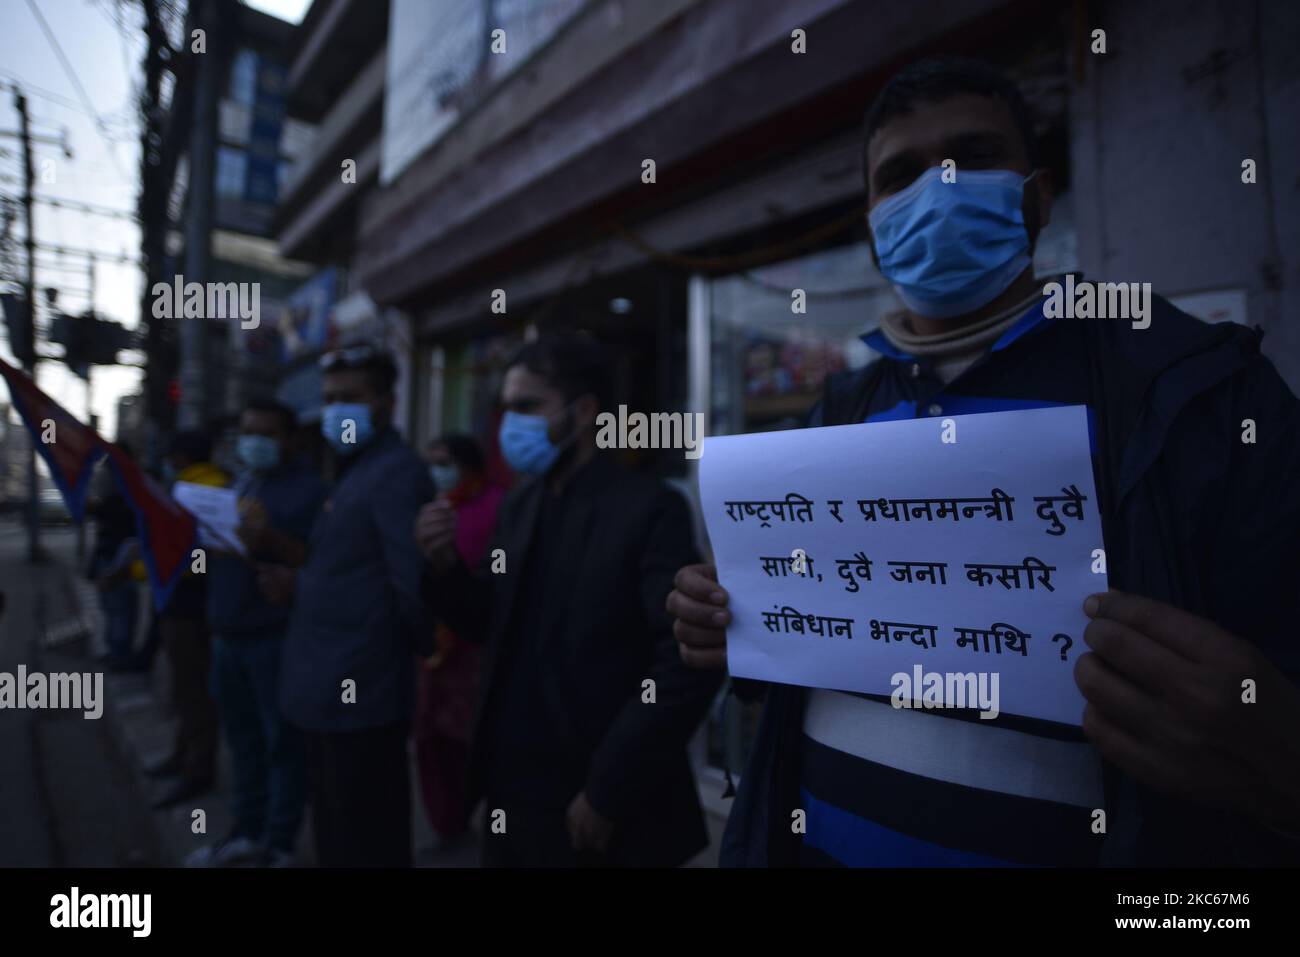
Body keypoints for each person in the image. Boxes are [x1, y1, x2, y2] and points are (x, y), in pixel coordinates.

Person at [666, 56, 1300, 867]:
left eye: (971, 155)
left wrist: (1280, 752)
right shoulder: (837, 412)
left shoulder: (1194, 391)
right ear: (873, 225)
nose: (939, 189)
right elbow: (797, 662)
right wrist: (732, 626)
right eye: (901, 173)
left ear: (1036, 199)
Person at [415, 333, 722, 867]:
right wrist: (443, 565)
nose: (510, 423)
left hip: (602, 801)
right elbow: (486, 619)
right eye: (506, 408)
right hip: (515, 789)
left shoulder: (648, 510)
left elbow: (684, 663)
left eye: (527, 406)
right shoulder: (520, 504)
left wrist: (608, 789)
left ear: (584, 412)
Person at [264, 344, 434, 867]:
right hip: (324, 694)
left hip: (363, 699)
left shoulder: (397, 473)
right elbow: (349, 570)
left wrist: (397, 668)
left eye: (350, 398)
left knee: (367, 843)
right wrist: (300, 583)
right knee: (336, 838)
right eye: (330, 398)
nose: (336, 409)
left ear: (386, 402)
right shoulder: (353, 469)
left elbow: (414, 590)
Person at [187, 399, 325, 868]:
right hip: (228, 634)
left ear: (289, 440)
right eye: (248, 433)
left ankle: (279, 843)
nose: (255, 443)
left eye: (266, 435)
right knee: (243, 741)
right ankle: (246, 831)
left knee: (281, 745)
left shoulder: (310, 491)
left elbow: (320, 563)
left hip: (275, 637)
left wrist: (268, 540)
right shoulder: (241, 482)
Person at [414, 434, 504, 846]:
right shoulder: (433, 507)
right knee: (433, 739)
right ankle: (446, 823)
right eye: (432, 461)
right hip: (436, 647)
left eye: (445, 461)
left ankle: (480, 814)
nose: (438, 469)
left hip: (477, 647)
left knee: (473, 738)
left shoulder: (499, 507)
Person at [146, 429, 228, 809]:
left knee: (194, 690)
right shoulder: (189, 487)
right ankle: (184, 756)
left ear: (181, 456)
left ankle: (197, 770)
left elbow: (202, 555)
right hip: (184, 602)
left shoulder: (198, 492)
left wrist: (175, 568)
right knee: (186, 688)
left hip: (190, 605)